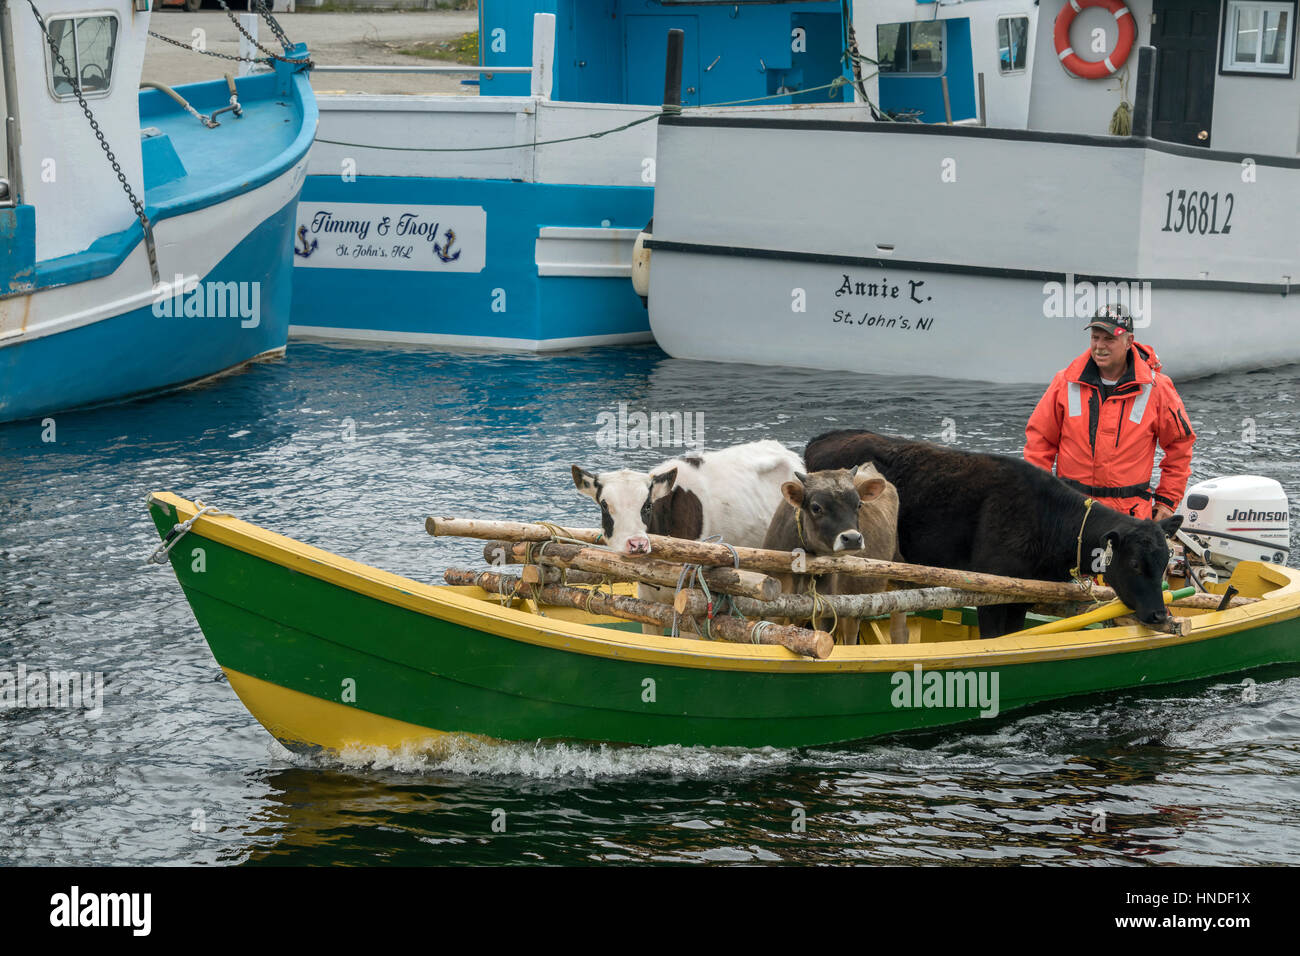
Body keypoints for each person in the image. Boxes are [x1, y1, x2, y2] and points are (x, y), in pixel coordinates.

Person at [1024, 304, 1195, 521]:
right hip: (1070, 511)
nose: (1100, 346)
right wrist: (1038, 492)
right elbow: (1040, 441)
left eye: (1109, 339)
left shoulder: (1157, 388)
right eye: (1095, 338)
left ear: (1129, 342)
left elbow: (1180, 446)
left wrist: (1167, 501)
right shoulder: (1064, 382)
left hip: (1129, 519)